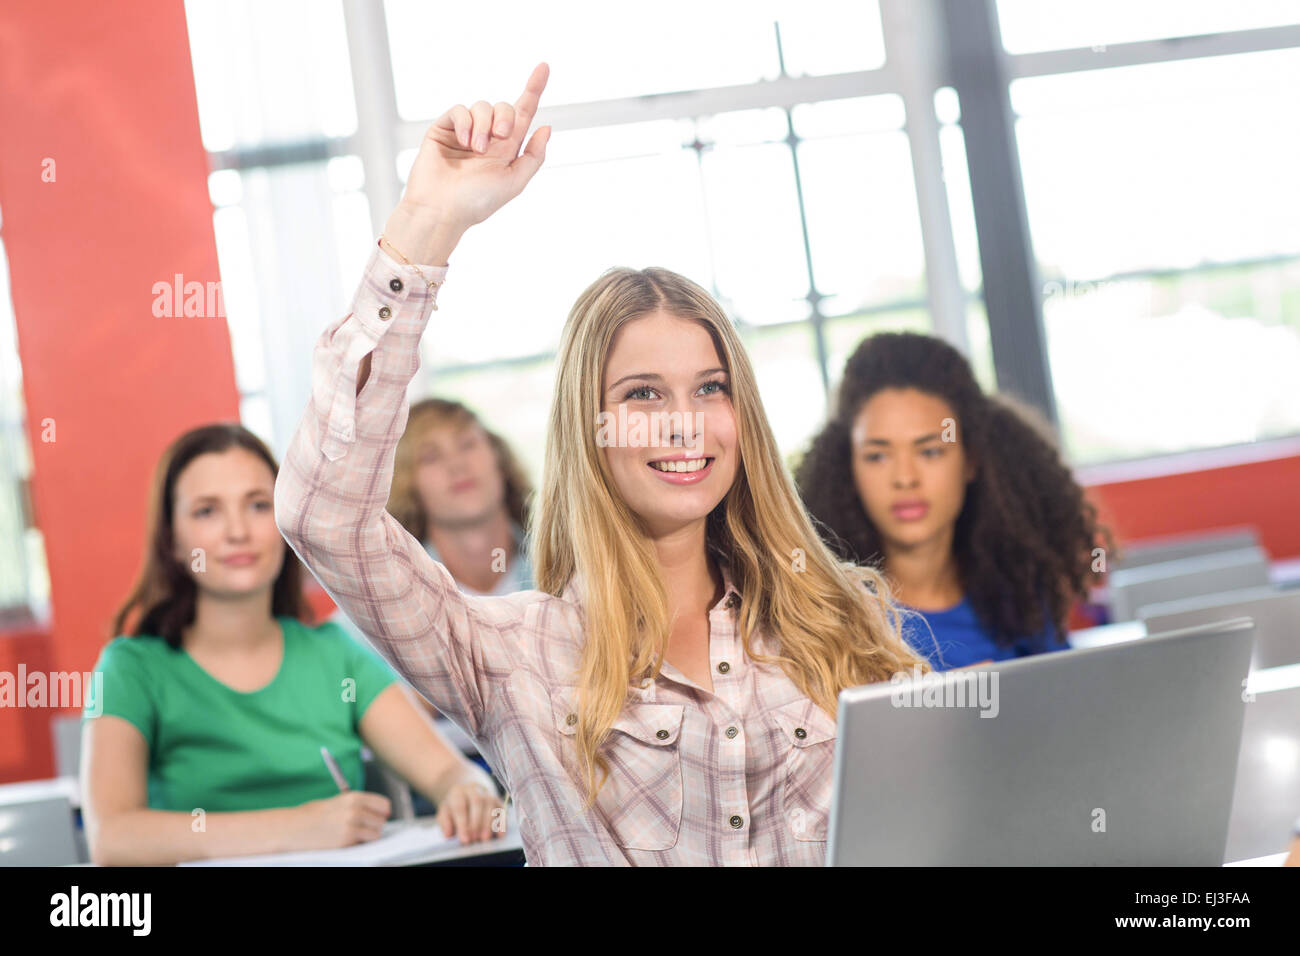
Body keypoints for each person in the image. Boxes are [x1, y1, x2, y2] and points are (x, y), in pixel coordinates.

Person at [274, 62, 927, 866]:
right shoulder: (512, 657)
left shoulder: (834, 626)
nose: (685, 424)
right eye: (644, 395)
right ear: (593, 431)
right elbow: (323, 516)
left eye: (709, 389)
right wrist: (428, 221)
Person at [81, 424, 503, 866]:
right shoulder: (132, 668)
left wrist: (469, 792)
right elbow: (112, 838)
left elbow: (450, 773)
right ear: (172, 540)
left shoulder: (335, 654)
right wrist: (297, 828)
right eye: (207, 511)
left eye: (259, 505)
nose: (238, 531)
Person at [796, 332, 1111, 670]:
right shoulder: (824, 619)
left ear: (970, 461)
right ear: (849, 469)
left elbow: (1071, 710)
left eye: (930, 451)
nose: (905, 478)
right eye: (877, 456)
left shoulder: (1019, 602)